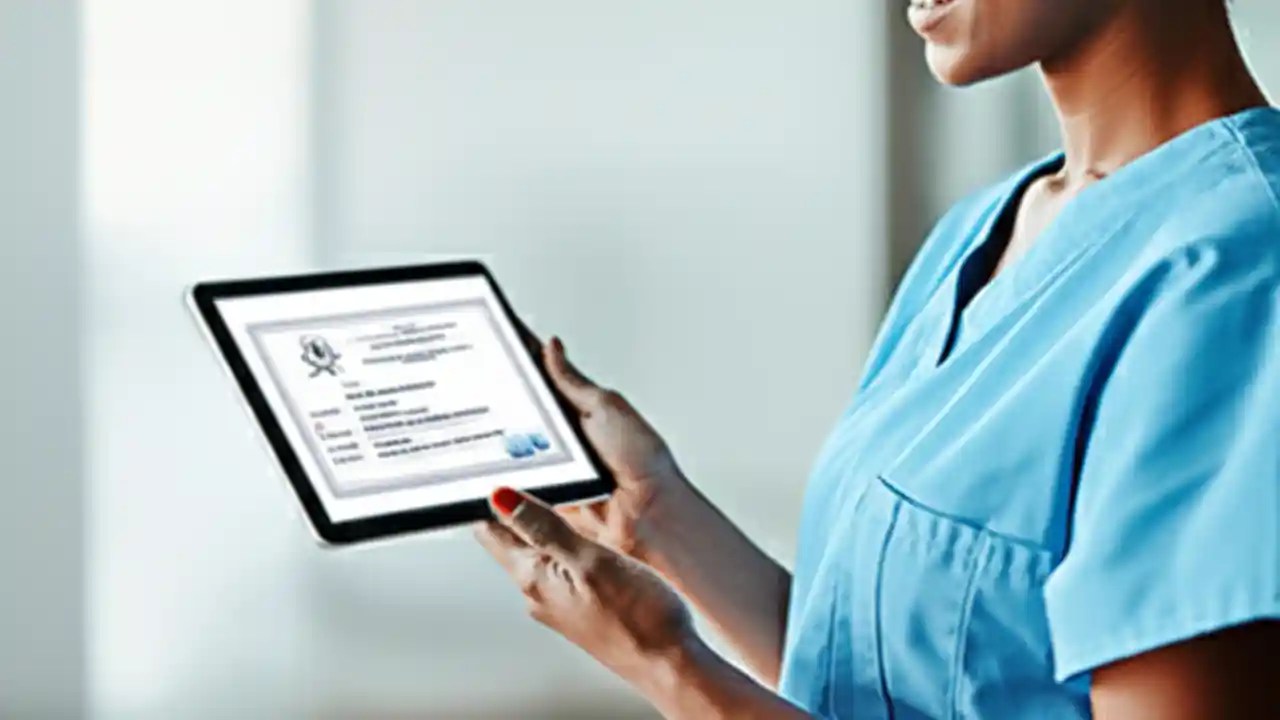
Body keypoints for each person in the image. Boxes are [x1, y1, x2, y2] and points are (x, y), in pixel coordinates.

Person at [475, 0, 1280, 716]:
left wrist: (673, 670)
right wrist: (656, 517)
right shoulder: (980, 232)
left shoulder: (1239, 267)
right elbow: (878, 680)